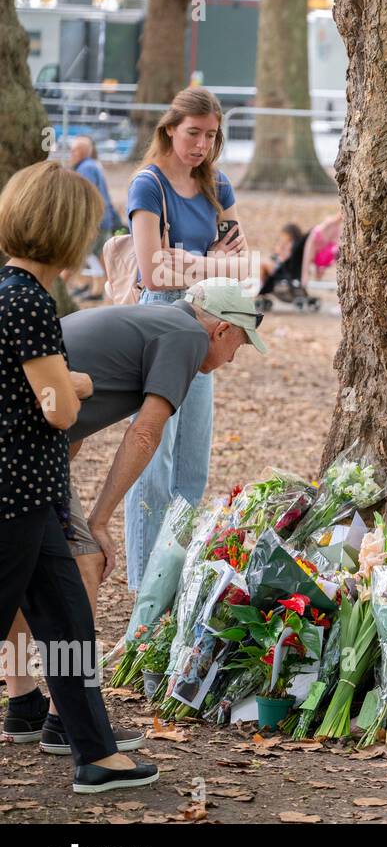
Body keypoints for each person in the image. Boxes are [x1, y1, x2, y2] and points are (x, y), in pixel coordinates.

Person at [2, 277, 266, 750]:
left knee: (27, 569)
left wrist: (57, 488)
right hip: (17, 454)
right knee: (82, 565)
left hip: (19, 450)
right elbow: (145, 434)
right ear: (221, 330)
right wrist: (99, 522)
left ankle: (24, 705)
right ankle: (67, 722)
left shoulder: (152, 322)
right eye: (239, 345)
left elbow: (76, 416)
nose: (232, 360)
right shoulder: (186, 338)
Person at [0, 161, 157, 793]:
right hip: (17, 496)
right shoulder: (31, 303)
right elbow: (59, 408)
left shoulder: (10, 294)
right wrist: (82, 383)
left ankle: (94, 750)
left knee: (67, 622)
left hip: (33, 497)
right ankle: (91, 747)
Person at [123, 87, 250, 594]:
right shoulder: (148, 185)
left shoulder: (218, 185)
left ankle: (170, 580)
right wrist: (211, 261)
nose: (201, 144)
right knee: (155, 459)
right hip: (160, 323)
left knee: (192, 466)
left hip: (206, 324)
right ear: (170, 129)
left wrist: (193, 262)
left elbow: (242, 266)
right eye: (193, 133)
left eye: (211, 135)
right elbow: (152, 272)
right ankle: (141, 588)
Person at [65, 135, 117, 300]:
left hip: (94, 221)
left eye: (73, 150)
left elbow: (83, 196)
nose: (70, 154)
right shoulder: (92, 165)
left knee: (75, 254)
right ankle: (97, 289)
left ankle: (57, 290)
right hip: (104, 219)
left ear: (81, 152)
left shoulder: (85, 168)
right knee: (99, 257)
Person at [300, 210, 341, 288]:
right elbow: (322, 232)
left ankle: (305, 277)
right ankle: (304, 277)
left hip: (320, 244)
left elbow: (335, 242)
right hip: (317, 239)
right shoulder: (331, 222)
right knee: (307, 259)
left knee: (309, 260)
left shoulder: (337, 227)